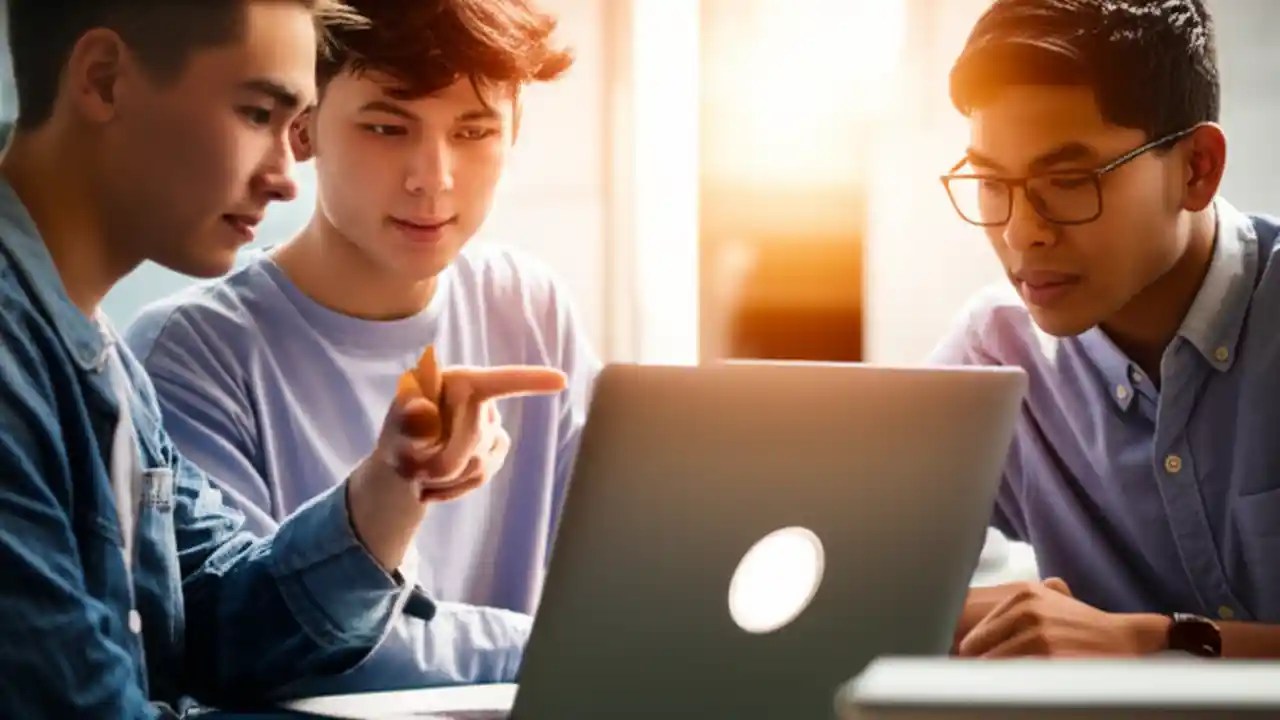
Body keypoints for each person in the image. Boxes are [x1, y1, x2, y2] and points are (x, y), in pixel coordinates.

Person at [0, 0, 565, 716]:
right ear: (105, 80)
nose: (287, 176)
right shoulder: (27, 360)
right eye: (256, 114)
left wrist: (390, 490)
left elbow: (224, 622)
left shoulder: (102, 364)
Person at [933, 0, 1280, 658]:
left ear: (1196, 168)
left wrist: (1153, 642)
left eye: (1068, 181)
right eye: (991, 182)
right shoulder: (993, 356)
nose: (1020, 233)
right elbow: (855, 573)